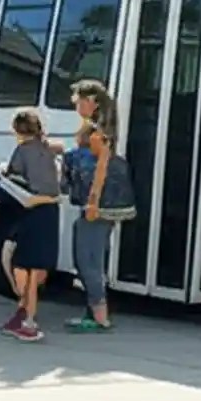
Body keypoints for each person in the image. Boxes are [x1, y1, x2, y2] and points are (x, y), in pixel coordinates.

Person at [0, 109, 61, 342]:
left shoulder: (22, 150)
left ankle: (28, 320)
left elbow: (13, 177)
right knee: (36, 268)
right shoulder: (48, 148)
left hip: (31, 209)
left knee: (21, 265)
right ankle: (24, 314)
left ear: (16, 130)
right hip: (51, 211)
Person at [65, 79, 120, 332]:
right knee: (91, 258)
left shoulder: (98, 134)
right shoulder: (98, 130)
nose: (77, 108)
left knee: (88, 260)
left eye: (79, 102)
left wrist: (92, 202)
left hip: (95, 206)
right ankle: (95, 312)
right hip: (95, 205)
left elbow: (101, 170)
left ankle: (99, 315)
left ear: (92, 102)